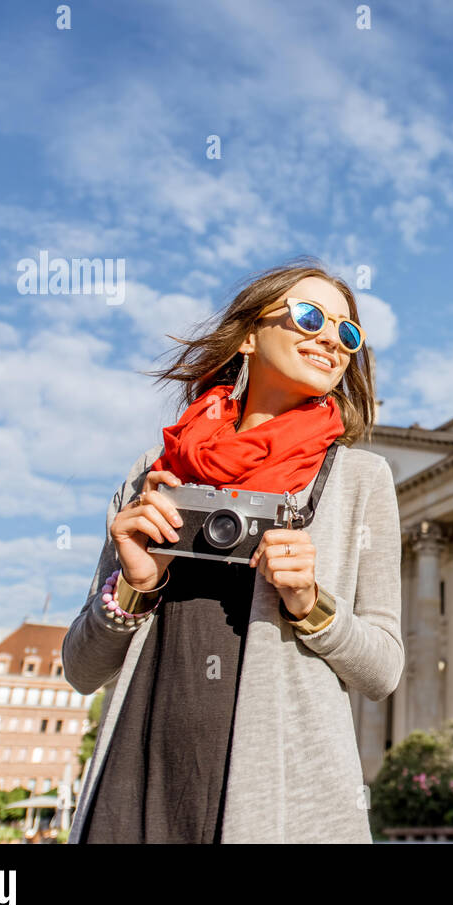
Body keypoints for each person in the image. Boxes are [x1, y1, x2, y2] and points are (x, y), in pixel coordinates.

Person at [62, 259, 404, 843]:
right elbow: (82, 668)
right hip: (136, 778)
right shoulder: (153, 474)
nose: (331, 338)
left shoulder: (361, 481)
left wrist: (309, 603)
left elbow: (383, 669)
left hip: (280, 795)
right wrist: (134, 587)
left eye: (348, 332)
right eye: (308, 316)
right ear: (248, 335)